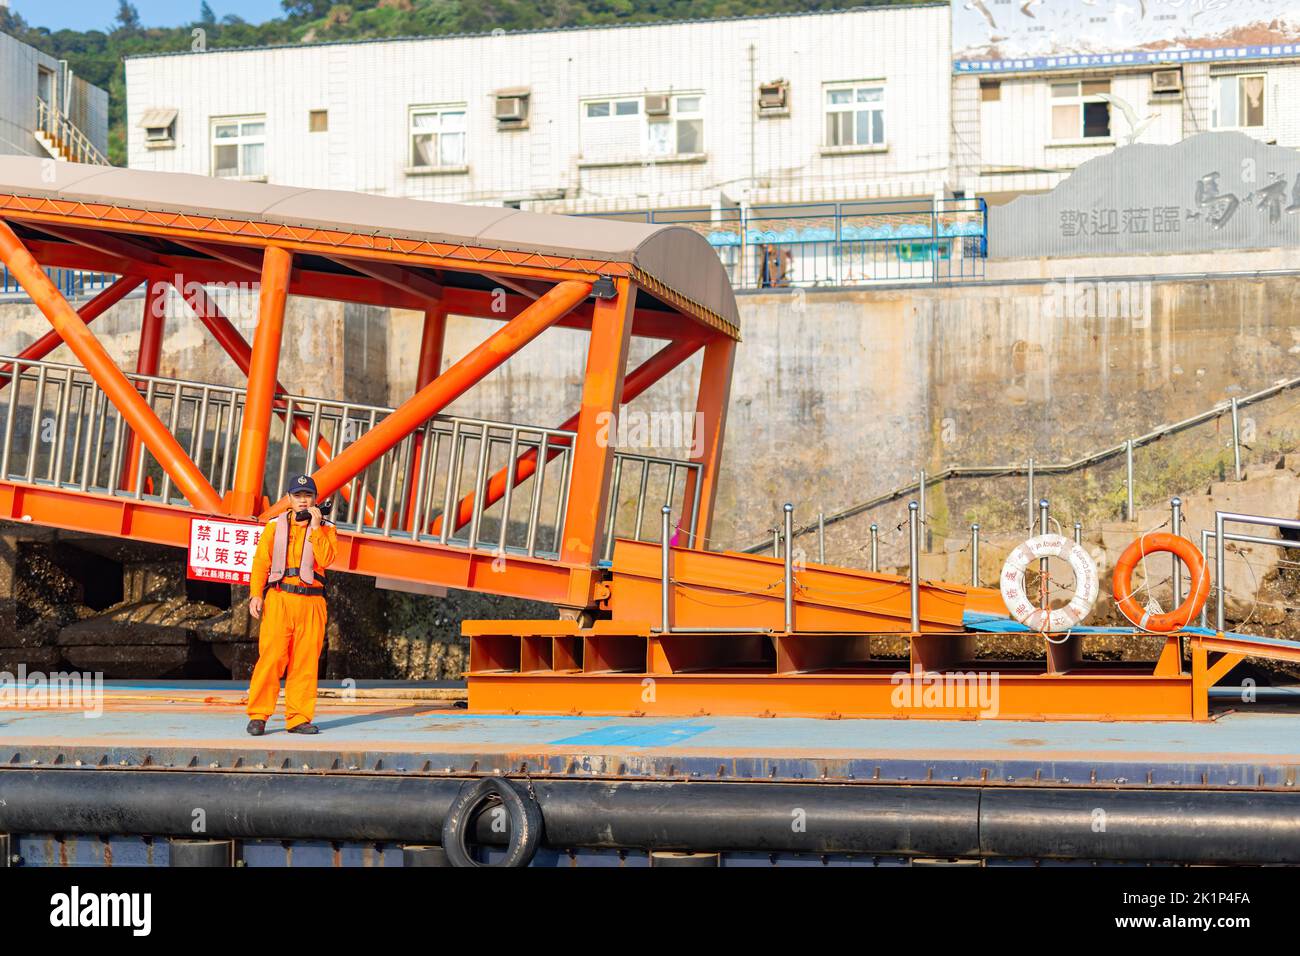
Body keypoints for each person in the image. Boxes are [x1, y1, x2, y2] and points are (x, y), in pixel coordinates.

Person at [244, 474, 337, 736]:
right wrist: (256, 594)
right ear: (289, 499)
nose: (303, 500)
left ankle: (298, 718)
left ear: (315, 500)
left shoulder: (327, 528)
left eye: (307, 496)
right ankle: (259, 715)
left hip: (312, 603)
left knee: (305, 663)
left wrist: (317, 527)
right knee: (271, 658)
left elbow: (327, 558)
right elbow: (261, 562)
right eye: (298, 496)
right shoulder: (275, 526)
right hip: (279, 599)